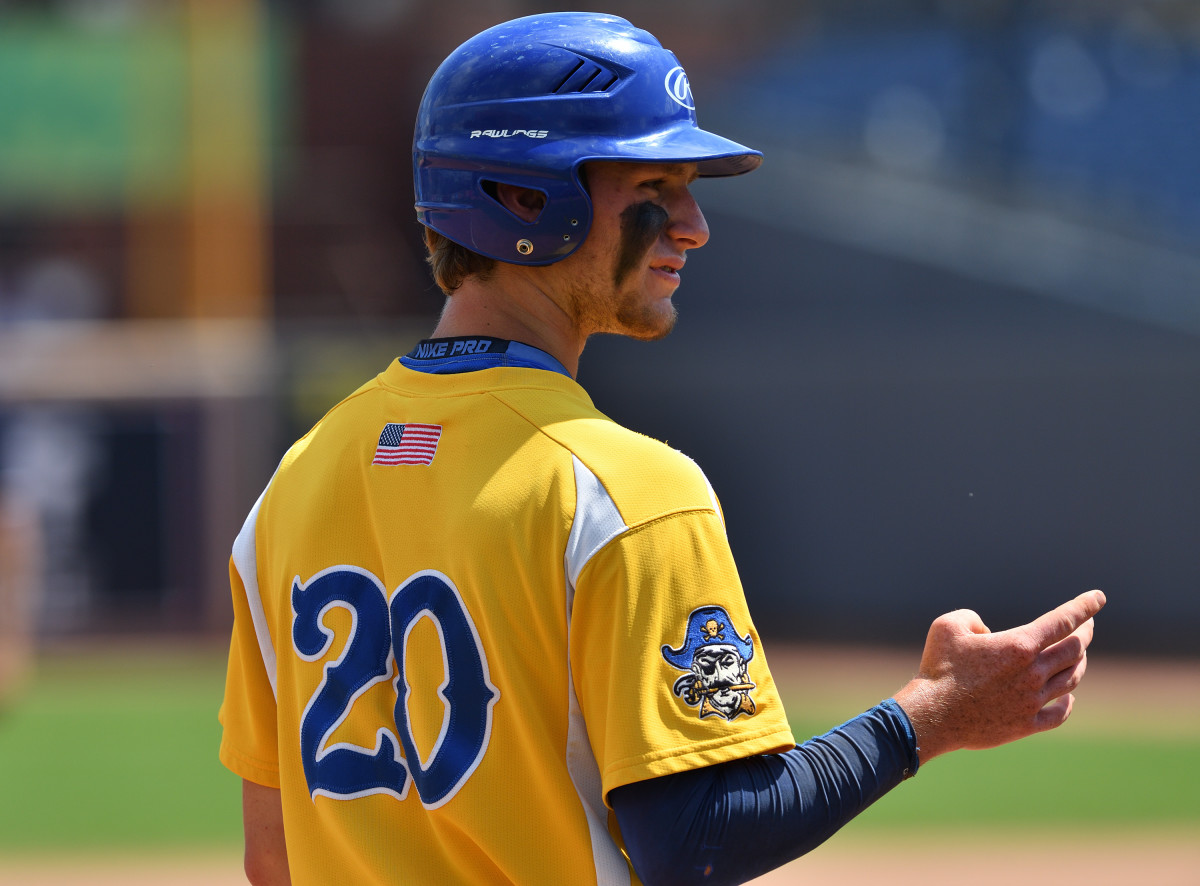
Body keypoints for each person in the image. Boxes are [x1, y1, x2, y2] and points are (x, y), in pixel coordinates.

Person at [218, 12, 1105, 886]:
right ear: (526, 197)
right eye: (655, 189)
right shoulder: (621, 487)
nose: (693, 224)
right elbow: (704, 834)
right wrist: (933, 715)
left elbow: (274, 858)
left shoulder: (296, 482)